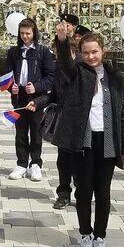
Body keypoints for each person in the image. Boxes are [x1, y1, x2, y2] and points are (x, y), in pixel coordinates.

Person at [53, 21, 124, 247]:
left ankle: (100, 237)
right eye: (85, 52)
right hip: (84, 143)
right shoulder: (77, 73)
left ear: (102, 51)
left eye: (94, 51)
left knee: (104, 193)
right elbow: (65, 63)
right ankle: (85, 236)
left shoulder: (114, 76)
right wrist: (63, 40)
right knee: (84, 191)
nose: (91, 56)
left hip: (107, 142)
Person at [5, 18, 55, 182]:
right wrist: (10, 86)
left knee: (35, 131)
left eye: (28, 33)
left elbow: (51, 77)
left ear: (34, 33)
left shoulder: (43, 52)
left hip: (36, 99)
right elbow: (6, 75)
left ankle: (35, 164)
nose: (25, 36)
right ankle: (21, 164)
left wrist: (37, 87)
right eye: (22, 33)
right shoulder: (13, 52)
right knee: (20, 132)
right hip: (19, 98)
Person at [51, 12, 80, 209]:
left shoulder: (82, 69)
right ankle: (63, 193)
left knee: (79, 160)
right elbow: (53, 93)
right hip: (63, 120)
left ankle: (81, 192)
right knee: (63, 160)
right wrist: (38, 100)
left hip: (80, 120)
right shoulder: (58, 68)